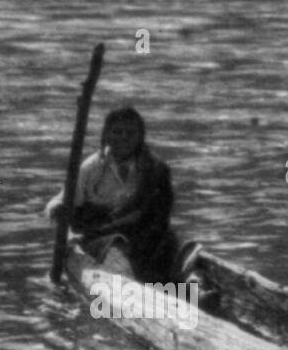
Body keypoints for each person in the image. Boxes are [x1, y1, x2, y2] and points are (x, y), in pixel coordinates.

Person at [46, 105, 199, 284]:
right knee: (116, 250)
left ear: (140, 137)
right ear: (106, 135)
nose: (123, 138)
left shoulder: (156, 169)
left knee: (180, 249)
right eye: (117, 132)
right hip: (103, 236)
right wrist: (58, 210)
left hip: (146, 238)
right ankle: (136, 288)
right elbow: (61, 202)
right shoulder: (92, 168)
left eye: (130, 133)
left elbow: (159, 215)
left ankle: (190, 288)